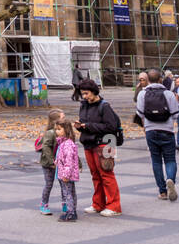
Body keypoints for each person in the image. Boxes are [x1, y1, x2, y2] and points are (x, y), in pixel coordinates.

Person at [74, 80, 122, 215]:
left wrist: (87, 126)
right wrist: (81, 126)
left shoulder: (105, 106)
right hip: (89, 143)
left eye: (86, 93)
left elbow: (110, 127)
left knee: (106, 174)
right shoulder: (84, 105)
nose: (84, 96)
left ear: (94, 91)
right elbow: (86, 123)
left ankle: (114, 206)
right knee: (95, 175)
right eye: (82, 94)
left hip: (105, 143)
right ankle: (98, 204)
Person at [137, 68, 179, 201]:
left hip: (150, 131)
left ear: (148, 79)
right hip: (167, 130)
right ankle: (170, 179)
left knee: (156, 160)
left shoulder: (142, 94)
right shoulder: (169, 94)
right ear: (161, 79)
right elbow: (175, 114)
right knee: (170, 159)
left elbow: (140, 113)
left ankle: (162, 191)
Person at [36, 108, 66, 215]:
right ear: (55, 121)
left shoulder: (64, 132)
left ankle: (65, 204)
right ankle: (44, 204)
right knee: (49, 184)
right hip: (49, 163)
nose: (65, 120)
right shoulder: (50, 133)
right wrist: (52, 162)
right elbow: (46, 148)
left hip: (61, 162)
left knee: (64, 183)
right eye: (63, 118)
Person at [54, 118, 81, 221]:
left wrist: (66, 175)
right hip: (65, 172)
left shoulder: (68, 144)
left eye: (59, 129)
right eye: (56, 129)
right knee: (70, 192)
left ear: (66, 130)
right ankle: (72, 211)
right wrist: (56, 162)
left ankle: (71, 213)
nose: (57, 131)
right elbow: (62, 158)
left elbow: (68, 161)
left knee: (68, 193)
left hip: (67, 174)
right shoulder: (63, 143)